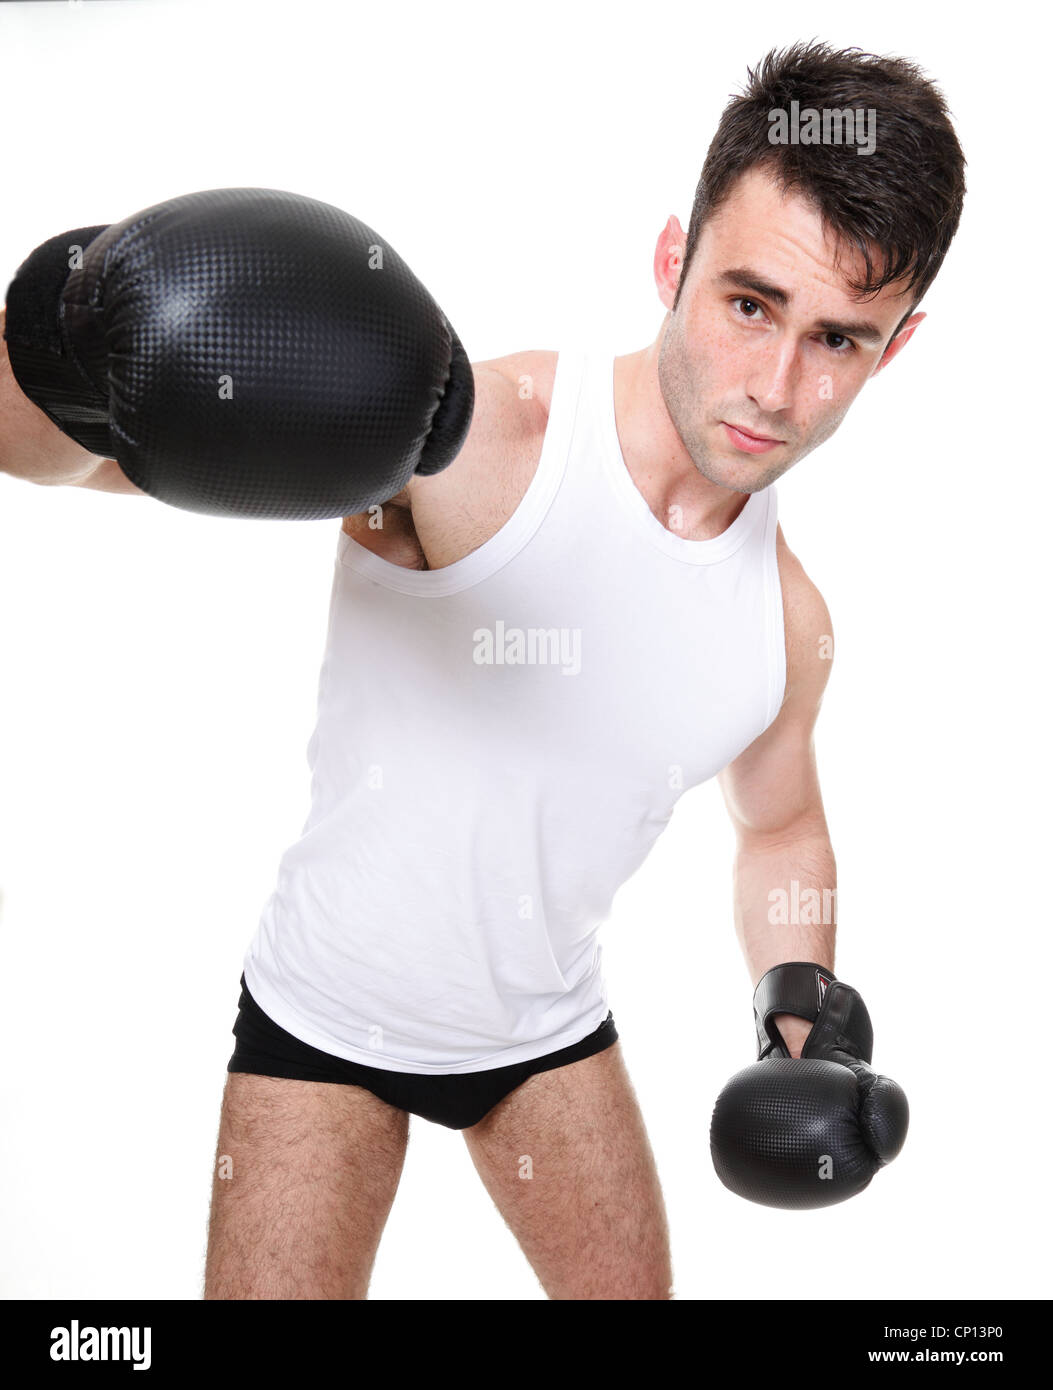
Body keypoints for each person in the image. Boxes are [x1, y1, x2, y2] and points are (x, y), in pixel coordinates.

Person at [0, 41, 965, 1298]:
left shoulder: (785, 623)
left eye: (840, 340)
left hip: (546, 1041)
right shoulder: (477, 440)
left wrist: (804, 1013)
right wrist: (59, 353)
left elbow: (780, 826)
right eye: (749, 304)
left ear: (895, 350)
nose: (777, 389)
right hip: (324, 1020)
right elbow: (73, 461)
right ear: (672, 260)